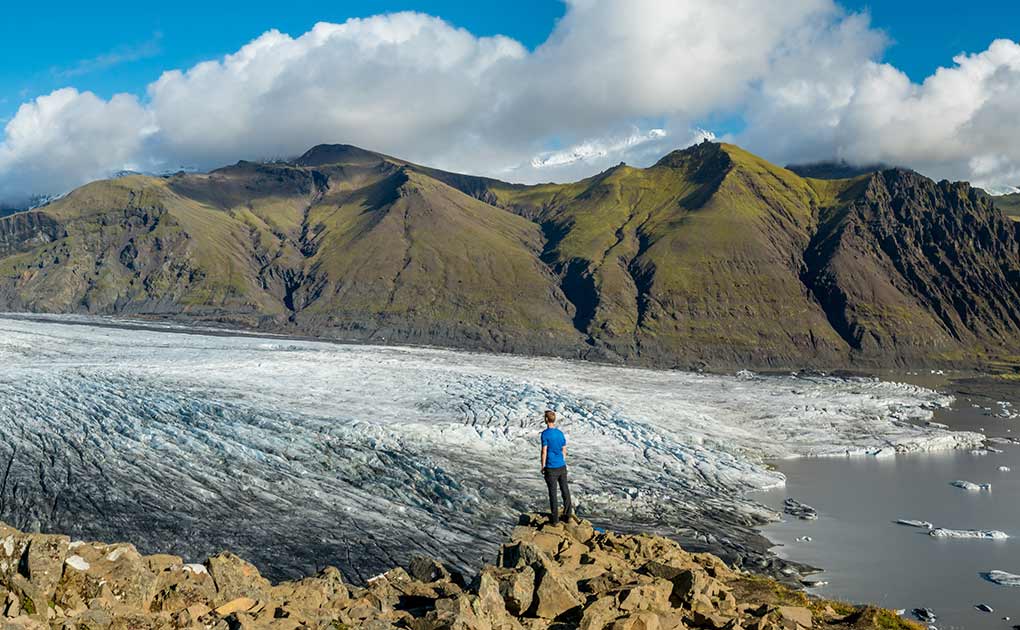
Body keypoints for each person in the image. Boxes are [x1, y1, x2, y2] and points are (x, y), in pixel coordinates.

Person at [540, 410, 573, 525]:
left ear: (546, 420)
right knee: (565, 490)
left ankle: (555, 520)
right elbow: (564, 449)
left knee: (553, 493)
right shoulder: (560, 433)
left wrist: (542, 466)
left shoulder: (545, 434)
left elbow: (544, 451)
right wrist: (561, 460)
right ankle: (568, 515)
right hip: (561, 466)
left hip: (551, 467)